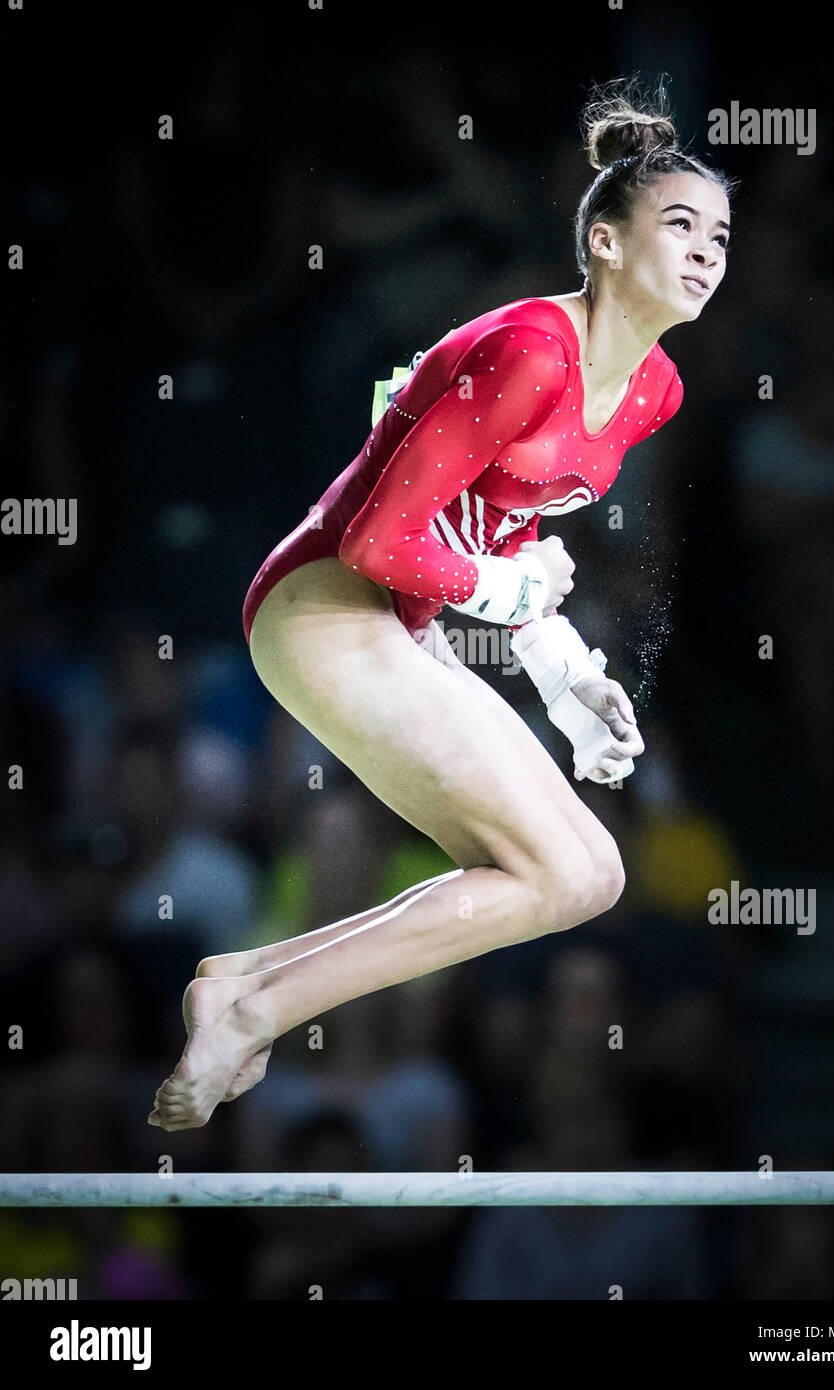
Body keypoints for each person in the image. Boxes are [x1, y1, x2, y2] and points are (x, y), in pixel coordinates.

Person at [149, 76, 735, 1131]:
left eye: (722, 238)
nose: (706, 251)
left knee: (591, 875)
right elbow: (381, 538)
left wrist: (564, 674)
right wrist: (515, 593)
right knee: (560, 867)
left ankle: (245, 986)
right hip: (322, 606)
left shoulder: (656, 390)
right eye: (679, 225)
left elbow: (497, 522)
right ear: (602, 241)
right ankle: (255, 1005)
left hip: (400, 624)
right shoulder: (525, 351)